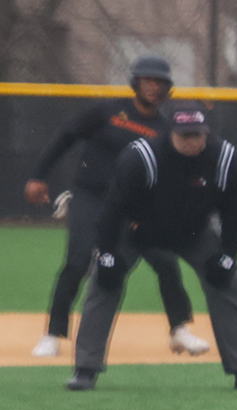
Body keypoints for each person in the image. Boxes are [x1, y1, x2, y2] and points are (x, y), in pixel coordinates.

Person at [67, 105, 237, 392]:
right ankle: (86, 368)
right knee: (103, 281)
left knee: (230, 280)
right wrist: (105, 253)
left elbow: (236, 212)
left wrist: (230, 254)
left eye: (197, 135)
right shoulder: (141, 157)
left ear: (207, 134)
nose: (192, 141)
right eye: (185, 135)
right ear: (171, 133)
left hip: (193, 232)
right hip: (135, 229)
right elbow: (112, 209)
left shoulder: (225, 158)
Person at [23, 55, 205, 360]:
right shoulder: (106, 111)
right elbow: (66, 135)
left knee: (164, 260)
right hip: (91, 197)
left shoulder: (164, 128)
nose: (153, 87)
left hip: (135, 206)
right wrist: (39, 176)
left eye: (159, 82)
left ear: (167, 89)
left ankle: (179, 330)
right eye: (147, 80)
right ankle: (52, 334)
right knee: (78, 261)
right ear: (136, 83)